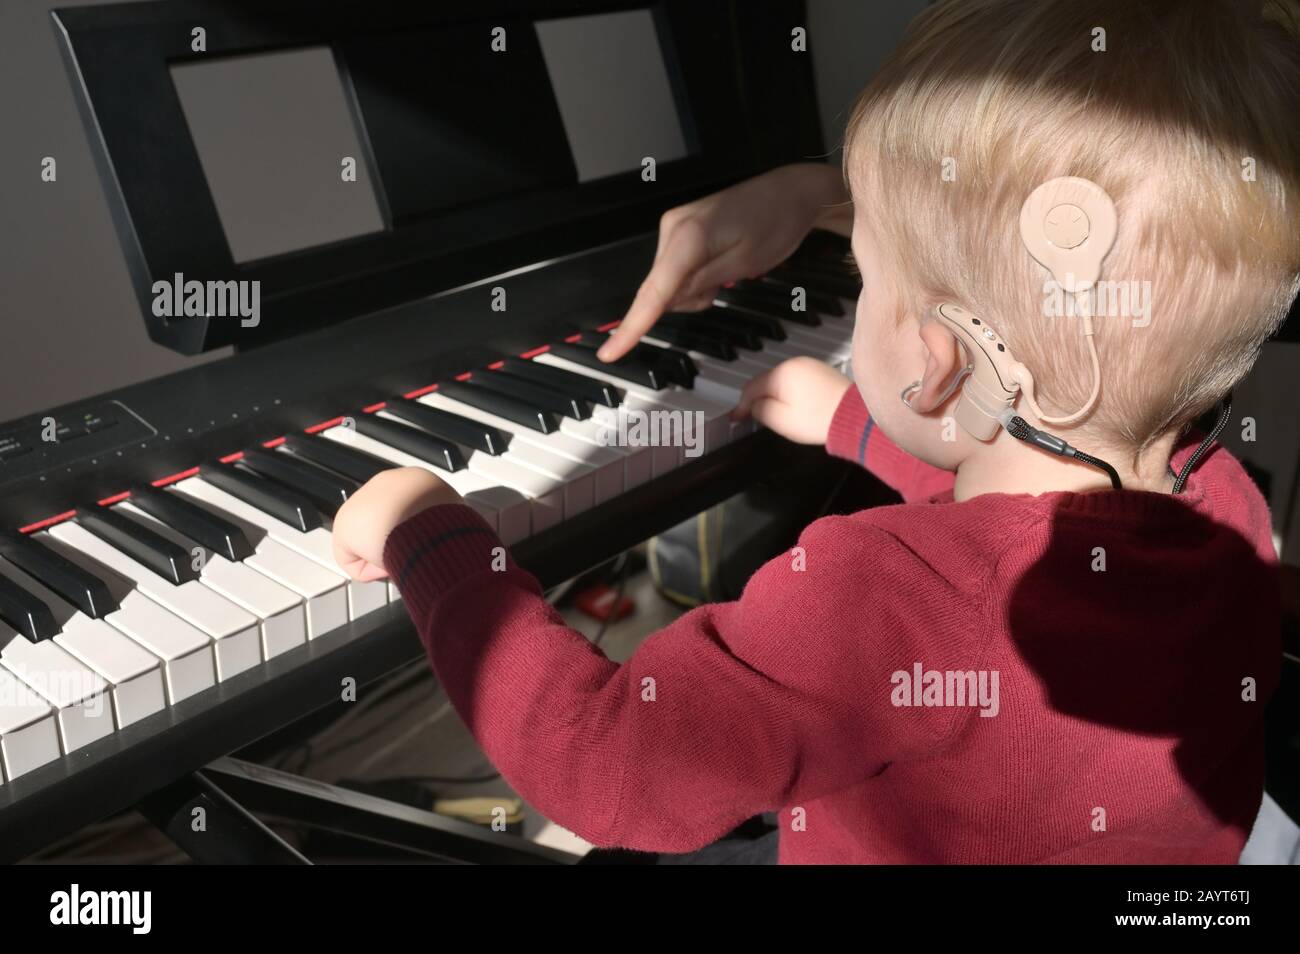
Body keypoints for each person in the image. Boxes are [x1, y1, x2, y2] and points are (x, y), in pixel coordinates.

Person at [331, 0, 1300, 862]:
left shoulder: (868, 600)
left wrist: (434, 538)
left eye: (865, 274)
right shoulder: (1229, 511)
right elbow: (1019, 531)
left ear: (936, 366)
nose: (857, 282)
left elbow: (607, 766)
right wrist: (851, 423)